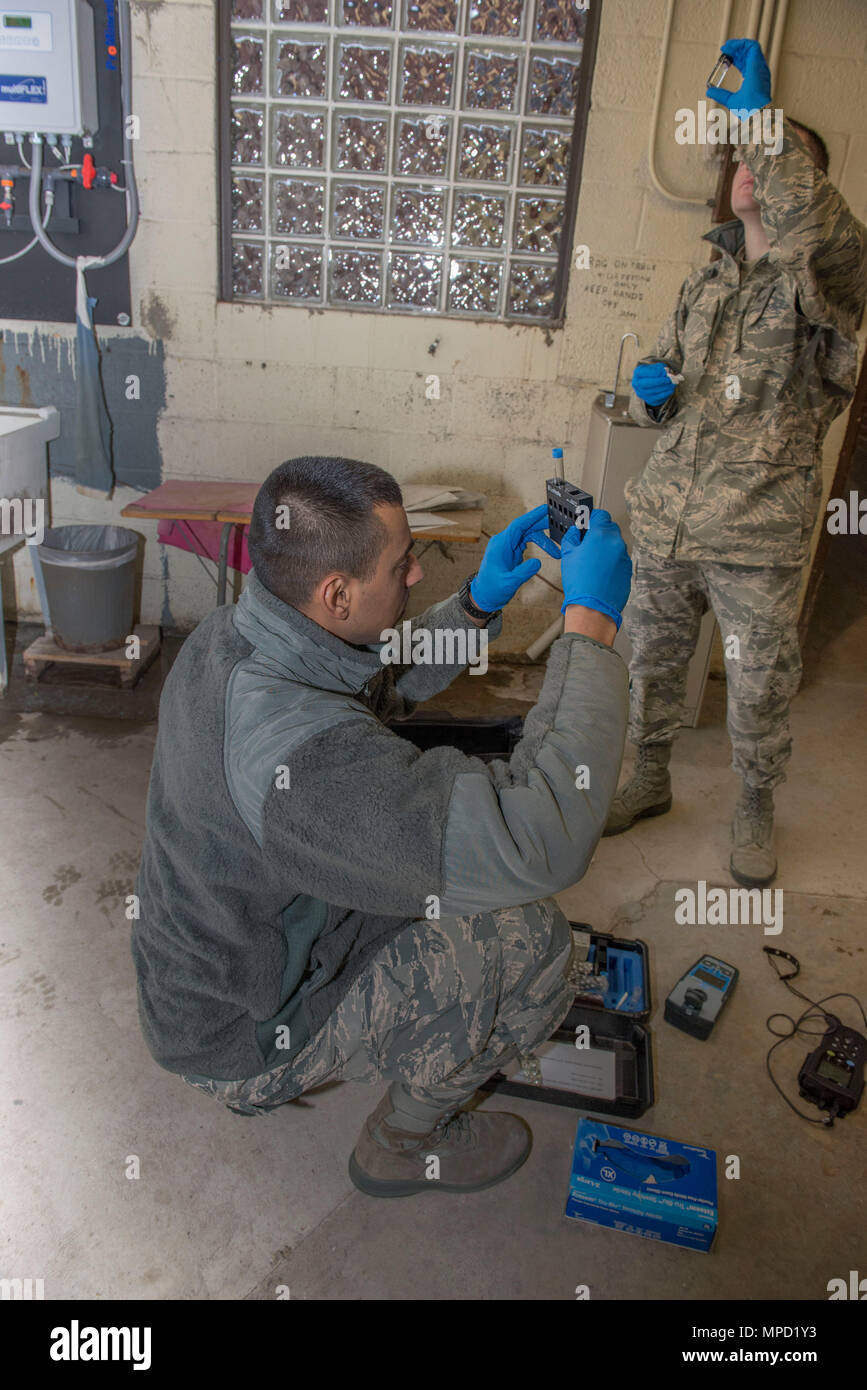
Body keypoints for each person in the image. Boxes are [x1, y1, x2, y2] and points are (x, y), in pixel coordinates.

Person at [131, 455, 632, 1197]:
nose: (416, 577)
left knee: (469, 882)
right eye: (403, 565)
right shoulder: (308, 769)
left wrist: (477, 604)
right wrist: (589, 631)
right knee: (529, 940)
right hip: (240, 1029)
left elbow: (369, 678)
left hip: (221, 952)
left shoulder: (236, 634)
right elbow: (545, 835)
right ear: (335, 593)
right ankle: (401, 1144)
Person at [605, 37, 867, 886]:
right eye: (742, 157)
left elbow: (829, 249)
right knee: (648, 660)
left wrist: (761, 121)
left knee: (755, 683)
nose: (747, 169)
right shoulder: (702, 281)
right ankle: (646, 776)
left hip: (756, 528)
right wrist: (657, 393)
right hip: (670, 517)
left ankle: (754, 802)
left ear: (802, 183)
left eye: (771, 159)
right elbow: (669, 390)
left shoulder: (821, 283)